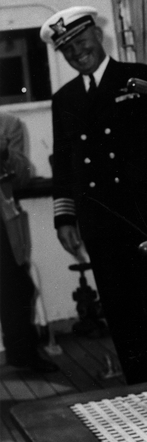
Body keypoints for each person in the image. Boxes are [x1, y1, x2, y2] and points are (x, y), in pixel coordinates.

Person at [41, 7, 147, 385]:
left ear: (98, 35)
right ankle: (143, 390)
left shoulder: (139, 78)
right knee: (122, 313)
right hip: (100, 224)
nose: (78, 52)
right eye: (68, 50)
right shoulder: (64, 100)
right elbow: (63, 163)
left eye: (81, 42)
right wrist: (64, 218)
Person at [0, 113, 58, 373]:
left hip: (1, 219)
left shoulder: (8, 125)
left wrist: (3, 152)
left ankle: (22, 356)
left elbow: (22, 177)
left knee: (18, 288)